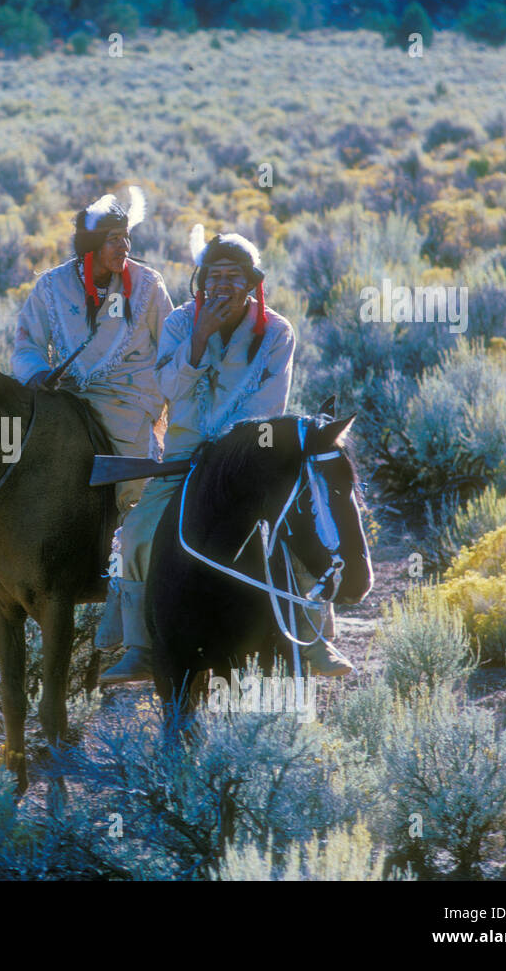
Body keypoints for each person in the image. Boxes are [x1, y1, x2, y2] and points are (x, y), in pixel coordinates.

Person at [103, 225, 352, 684]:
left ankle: (316, 637)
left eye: (232, 276)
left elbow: (269, 405)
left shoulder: (277, 332)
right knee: (137, 533)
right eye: (212, 276)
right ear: (200, 282)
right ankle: (139, 645)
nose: (221, 285)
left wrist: (224, 448)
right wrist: (199, 340)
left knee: (296, 528)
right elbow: (167, 388)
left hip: (249, 455)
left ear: (252, 282)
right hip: (183, 455)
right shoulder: (180, 323)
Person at [0, 188, 173, 654]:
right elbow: (25, 343)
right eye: (113, 239)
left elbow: (169, 351)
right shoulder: (52, 286)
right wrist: (36, 373)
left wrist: (158, 400)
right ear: (90, 246)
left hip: (128, 403)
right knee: (0, 459)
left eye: (126, 238)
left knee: (132, 491)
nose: (124, 247)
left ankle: (121, 606)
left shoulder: (149, 285)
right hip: (62, 396)